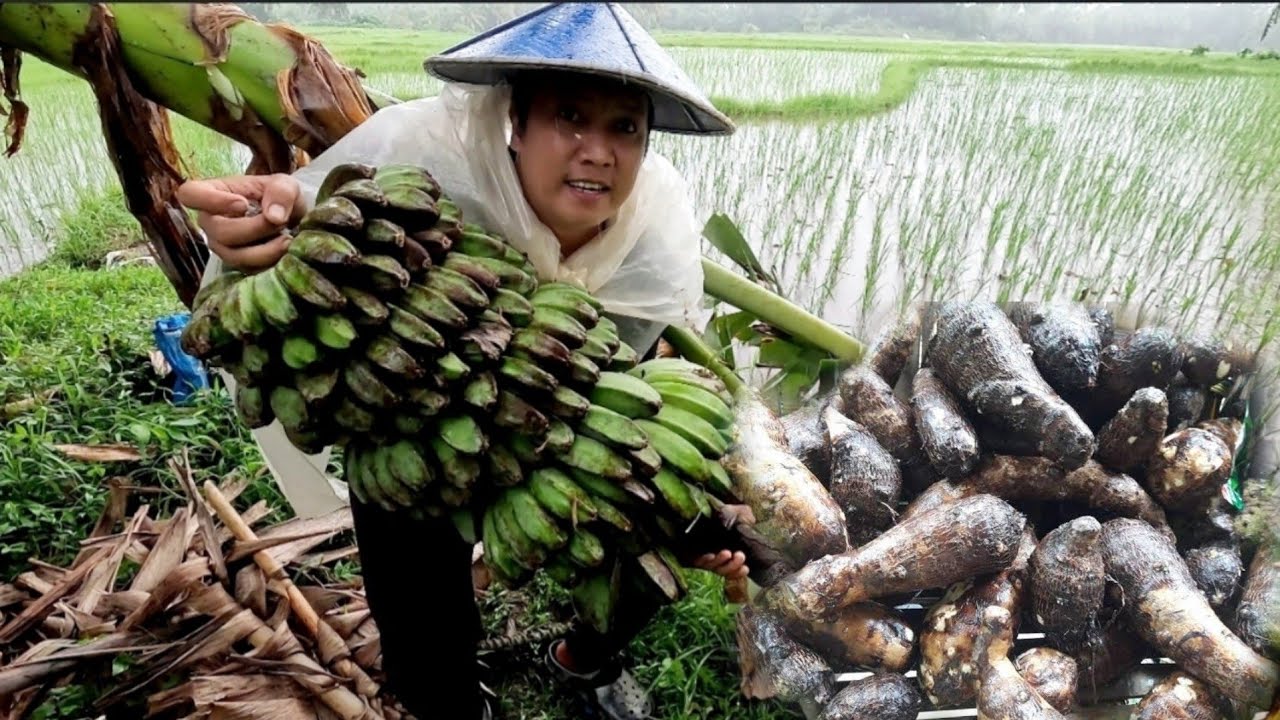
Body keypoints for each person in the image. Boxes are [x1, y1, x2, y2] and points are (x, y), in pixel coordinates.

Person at [176, 4, 752, 719]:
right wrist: (273, 217)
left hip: (567, 413)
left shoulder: (654, 226)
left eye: (625, 128)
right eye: (570, 117)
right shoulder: (434, 165)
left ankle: (584, 657)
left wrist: (687, 520)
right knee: (419, 611)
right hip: (412, 418)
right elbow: (330, 213)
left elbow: (627, 359)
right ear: (517, 121)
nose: (599, 152)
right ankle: (446, 697)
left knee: (682, 523)